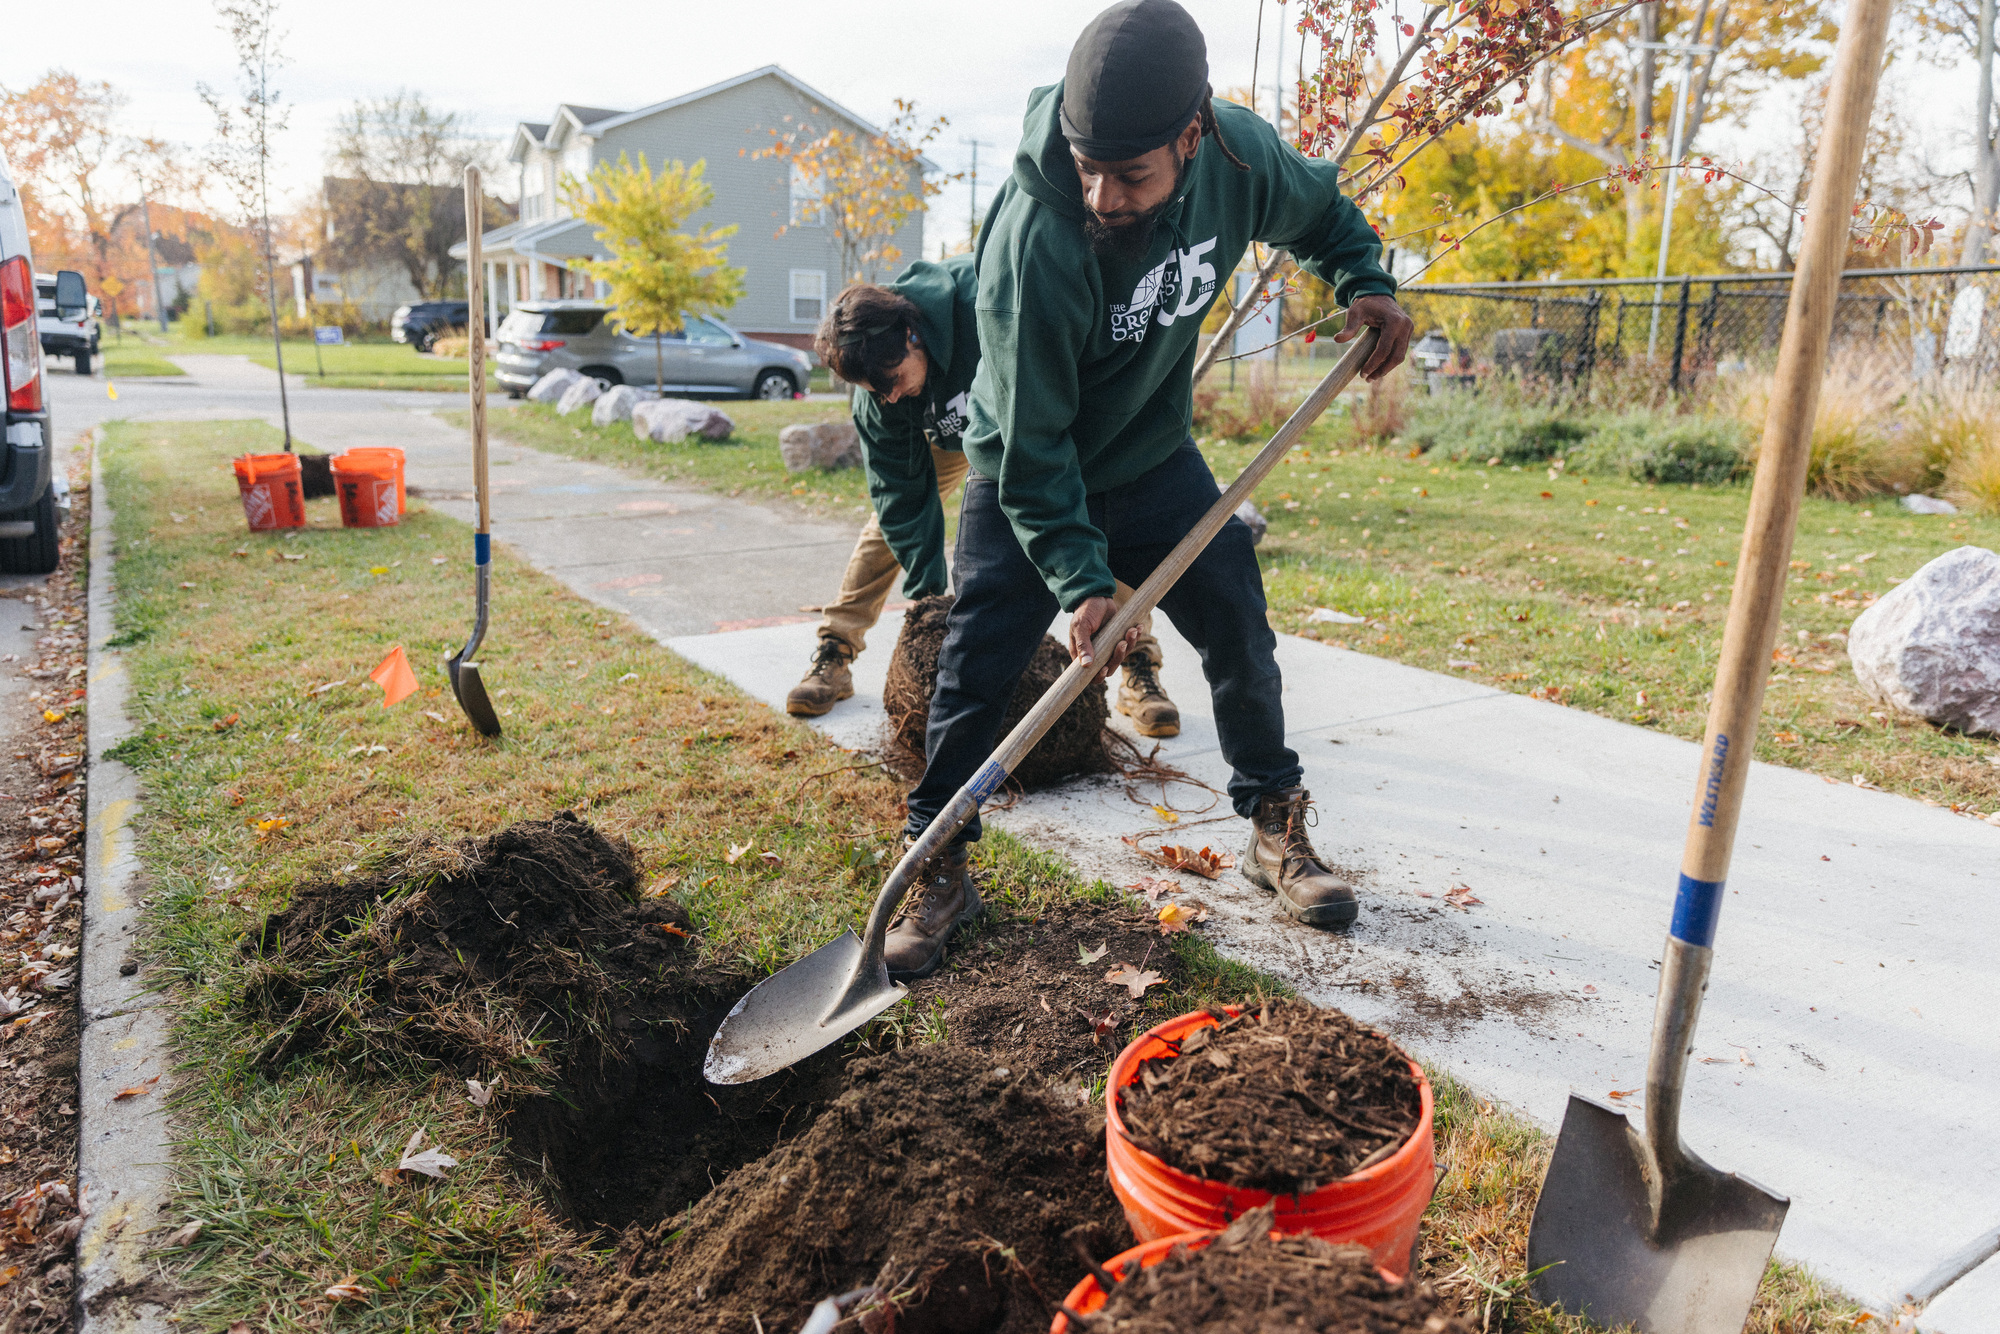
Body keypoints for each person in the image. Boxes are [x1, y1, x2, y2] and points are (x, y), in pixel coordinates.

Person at [880, 0, 1414, 980]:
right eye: (1087, 167)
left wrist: (1361, 279)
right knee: (972, 673)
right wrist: (1084, 581)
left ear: (1192, 133)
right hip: (1024, 471)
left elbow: (1325, 213)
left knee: (1237, 627)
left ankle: (1272, 823)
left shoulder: (1240, 158)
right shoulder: (1034, 241)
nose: (1102, 195)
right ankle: (936, 862)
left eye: (1128, 173)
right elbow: (1037, 448)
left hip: (1150, 454)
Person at [788, 256, 1182, 741]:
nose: (888, 397)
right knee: (886, 526)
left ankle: (1137, 661)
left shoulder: (985, 302)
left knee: (1098, 514)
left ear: (913, 334)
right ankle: (835, 649)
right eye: (874, 390)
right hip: (953, 438)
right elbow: (900, 497)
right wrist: (930, 602)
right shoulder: (879, 392)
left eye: (890, 380)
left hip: (1037, 421)